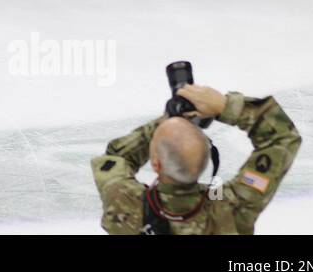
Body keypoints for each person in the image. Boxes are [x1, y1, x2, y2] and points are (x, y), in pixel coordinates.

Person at [92, 84, 301, 234]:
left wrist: (165, 122)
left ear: (156, 164)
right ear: (207, 158)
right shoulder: (233, 208)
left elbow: (116, 157)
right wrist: (225, 106)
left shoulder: (123, 201)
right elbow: (281, 138)